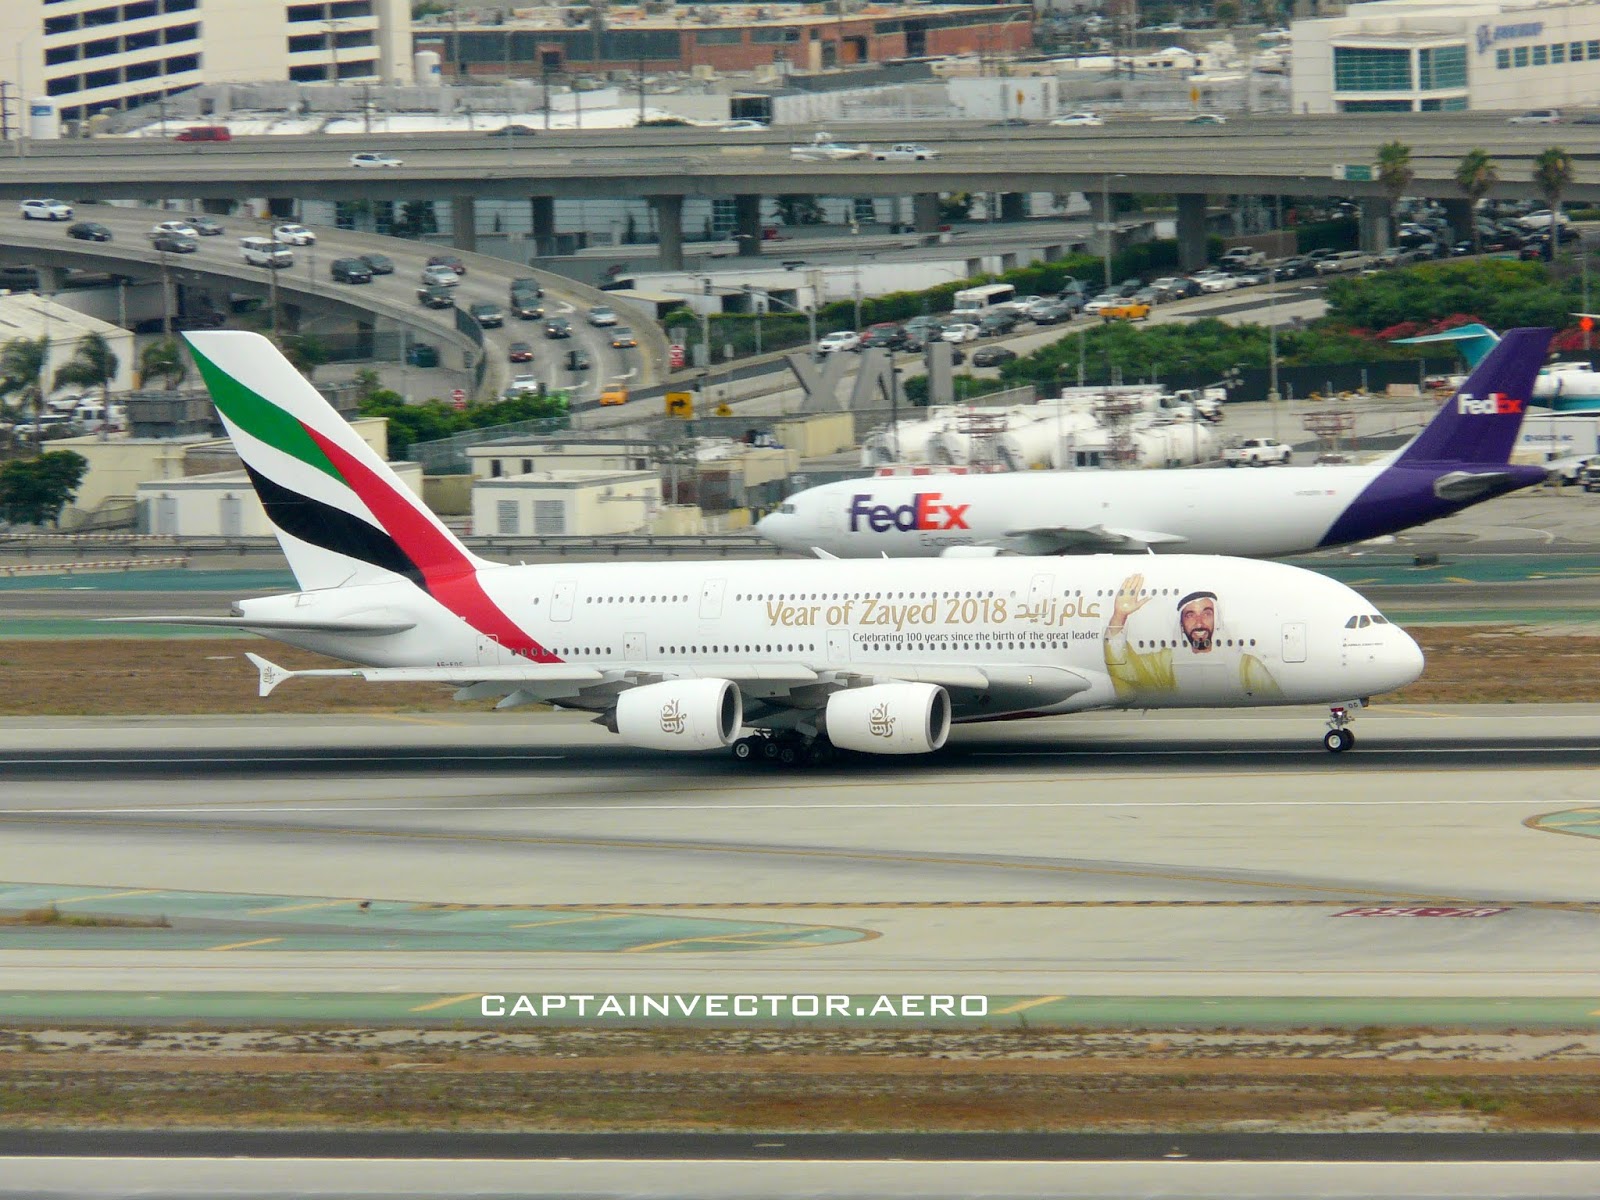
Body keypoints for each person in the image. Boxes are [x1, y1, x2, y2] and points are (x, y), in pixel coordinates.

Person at [1103, 572, 1280, 700]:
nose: (1199, 622)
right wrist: (1119, 616)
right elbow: (1126, 671)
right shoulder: (1164, 664)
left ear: (1216, 620)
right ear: (1181, 624)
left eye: (1206, 613)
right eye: (1190, 615)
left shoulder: (1246, 667)